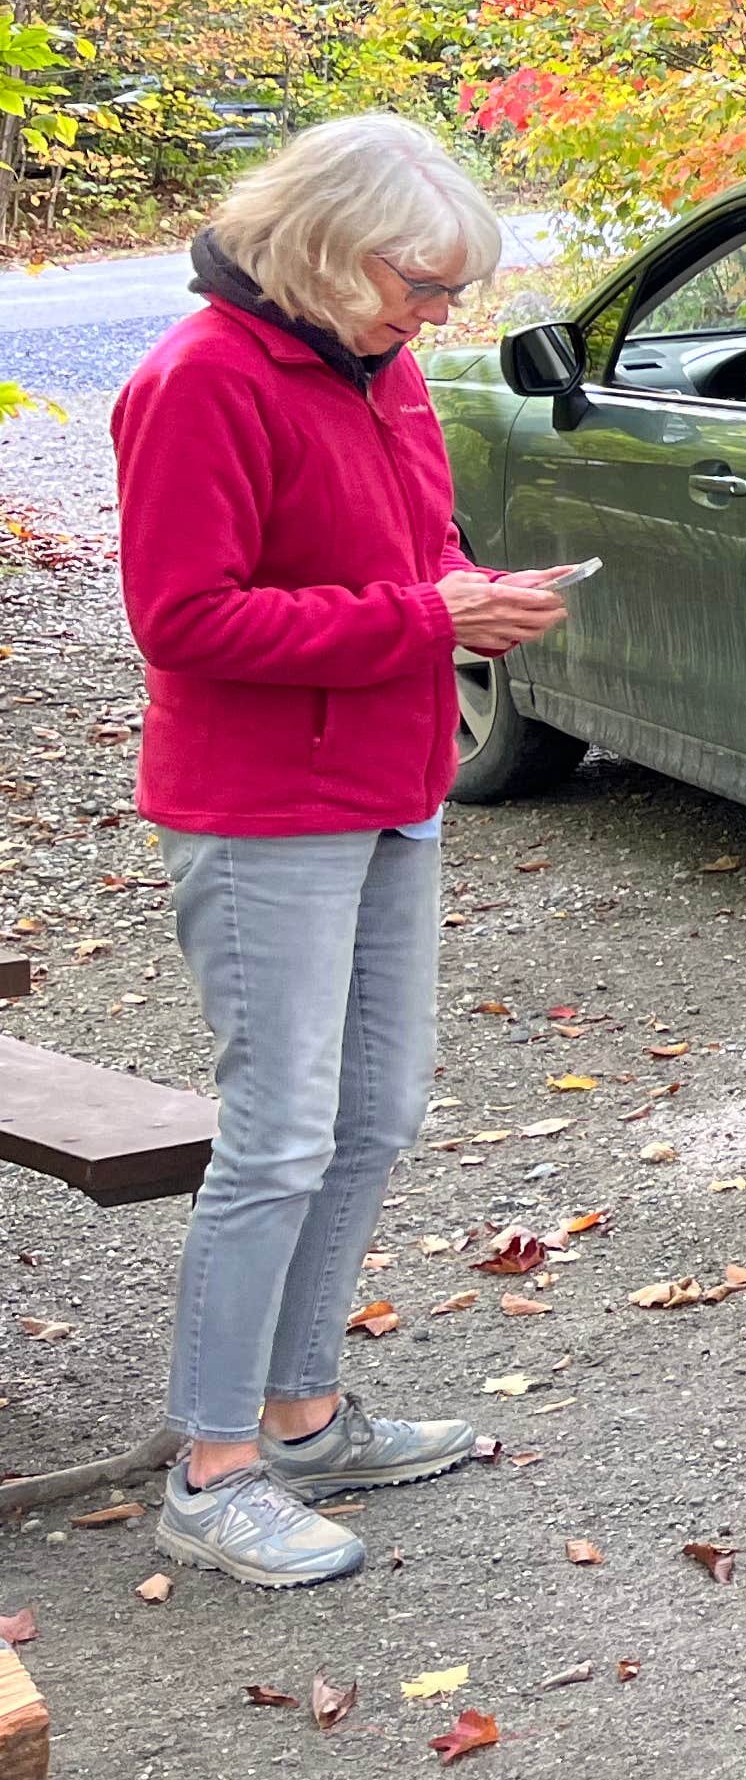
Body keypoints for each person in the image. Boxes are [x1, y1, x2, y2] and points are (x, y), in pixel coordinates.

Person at [110, 114, 570, 1589]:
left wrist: (471, 590)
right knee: (277, 1134)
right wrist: (431, 621)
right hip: (258, 807)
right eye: (419, 284)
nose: (436, 314)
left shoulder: (386, 371)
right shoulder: (197, 382)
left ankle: (304, 1414)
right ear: (320, 242)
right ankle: (213, 1460)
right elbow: (183, 621)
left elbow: (413, 555)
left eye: (448, 291)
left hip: (392, 780)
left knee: (376, 1115)